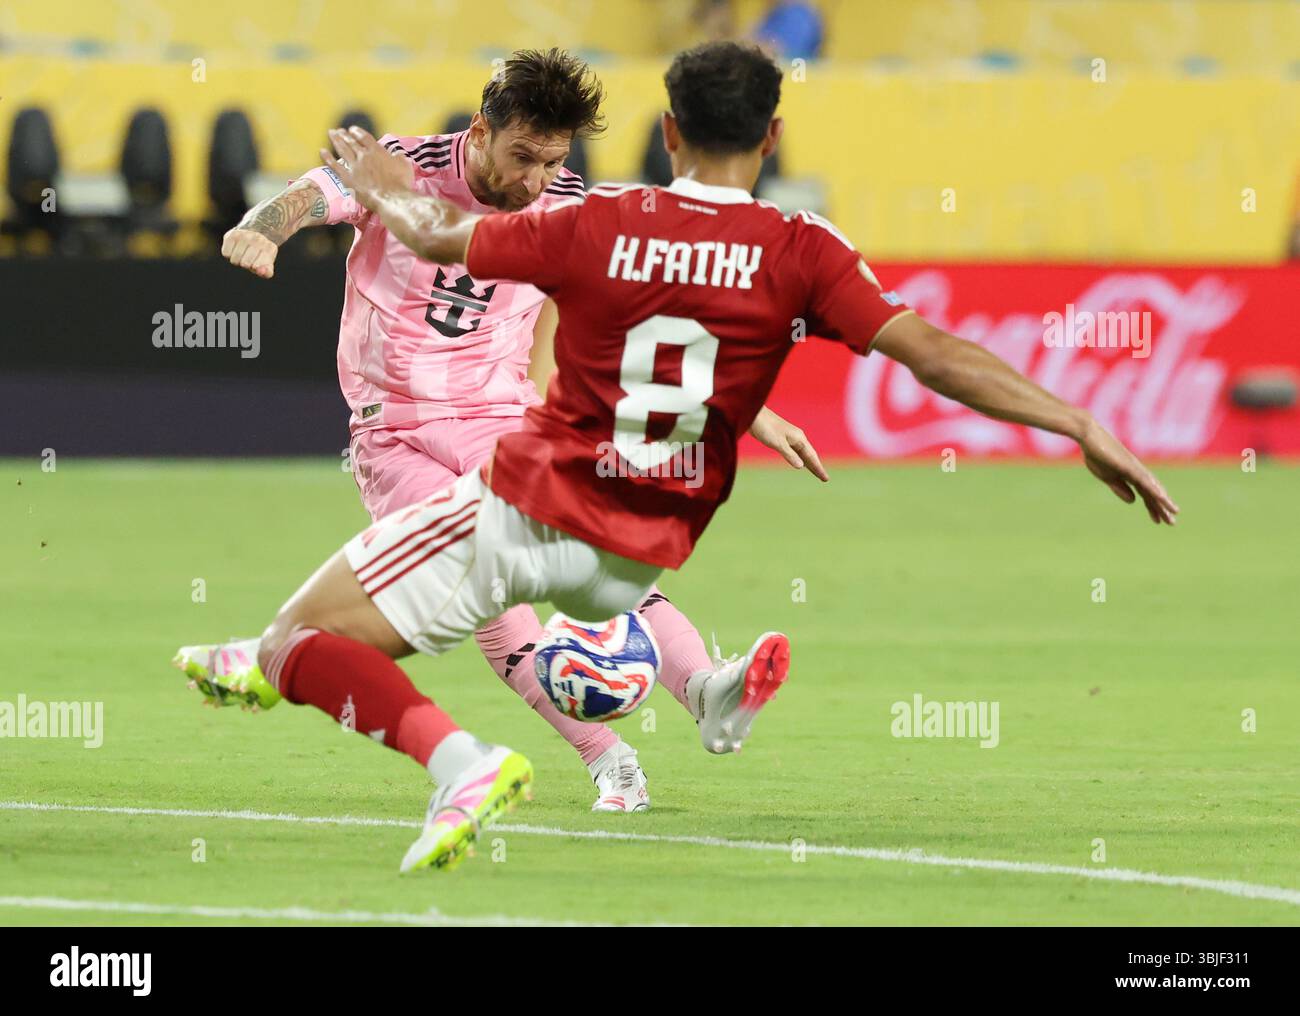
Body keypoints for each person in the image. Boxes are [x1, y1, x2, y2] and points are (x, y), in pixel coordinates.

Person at [189, 40, 1177, 874]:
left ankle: (468, 762)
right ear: (774, 138)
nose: (538, 176)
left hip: (526, 494)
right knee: (557, 602)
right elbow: (933, 353)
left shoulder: (600, 221)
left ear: (667, 132)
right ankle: (692, 689)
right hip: (637, 548)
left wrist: (380, 189)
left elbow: (442, 233)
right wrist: (1078, 421)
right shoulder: (804, 248)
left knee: (301, 644)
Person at [174, 48, 825, 815]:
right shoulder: (403, 171)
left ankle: (706, 690)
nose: (533, 181)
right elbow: (312, 194)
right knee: (488, 592)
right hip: (399, 433)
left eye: (550, 162)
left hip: (505, 419)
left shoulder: (568, 204)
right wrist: (263, 227)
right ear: (482, 130)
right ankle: (609, 757)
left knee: (589, 556)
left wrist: (748, 408)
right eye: (522, 156)